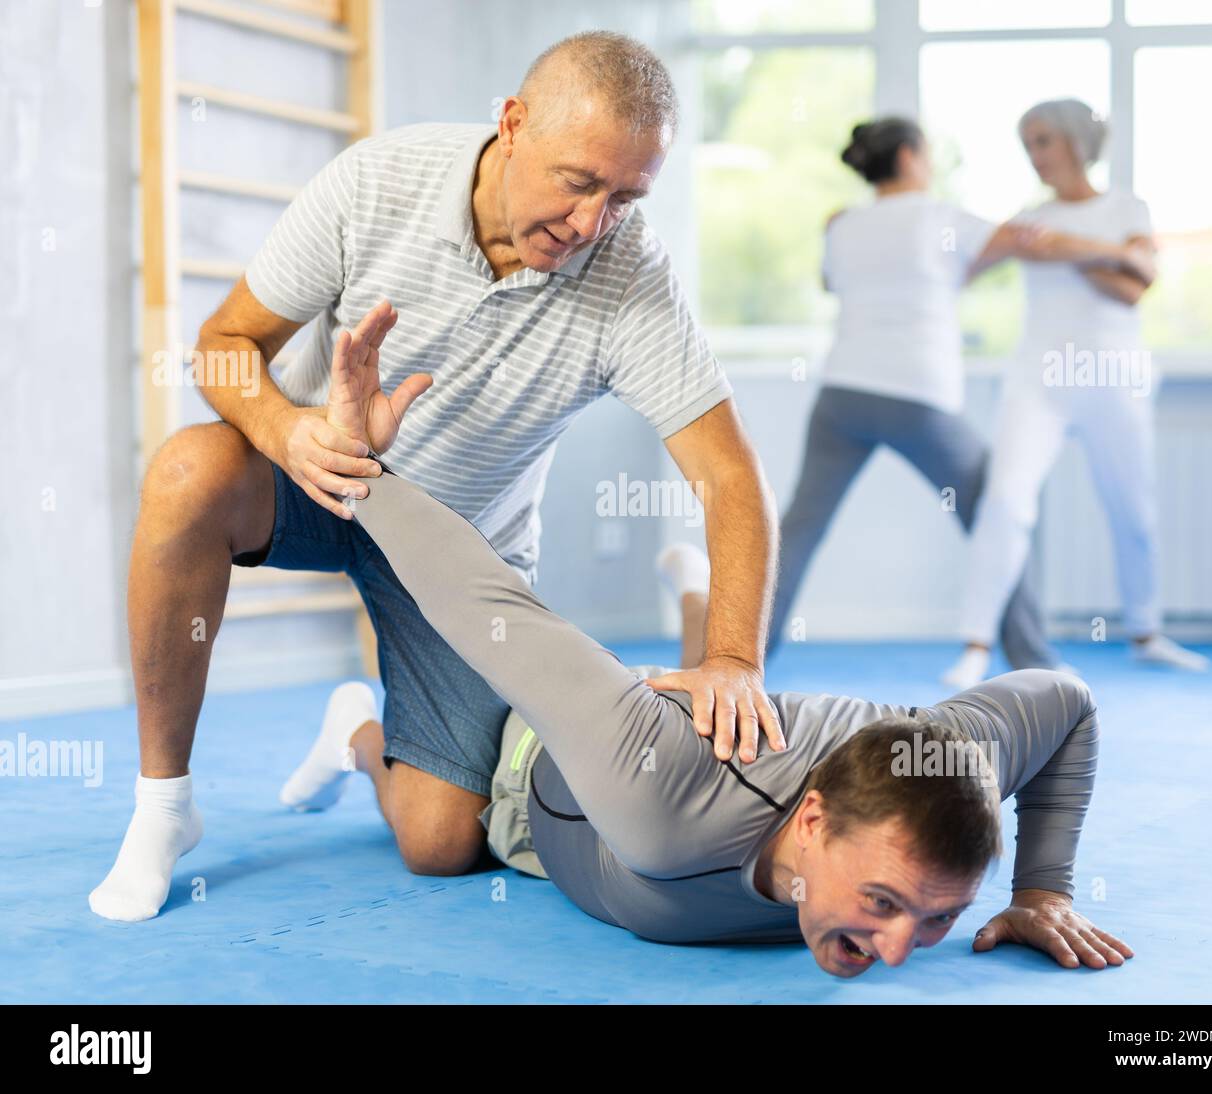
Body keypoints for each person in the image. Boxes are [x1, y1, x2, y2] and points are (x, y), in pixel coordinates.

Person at [89, 31, 785, 924]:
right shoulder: (378, 182)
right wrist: (288, 431)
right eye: (578, 182)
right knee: (187, 470)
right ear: (513, 123)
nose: (591, 226)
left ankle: (357, 733)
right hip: (321, 477)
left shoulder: (628, 273)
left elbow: (730, 478)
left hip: (461, 551)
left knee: (441, 841)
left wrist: (732, 659)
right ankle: (163, 808)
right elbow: (221, 349)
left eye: (626, 197)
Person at [299, 461, 1134, 978]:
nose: (897, 950)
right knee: (434, 842)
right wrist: (357, 465)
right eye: (882, 901)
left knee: (713, 703)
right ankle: (354, 735)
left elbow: (1067, 703)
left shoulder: (949, 764)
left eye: (939, 918)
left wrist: (1042, 890)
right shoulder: (649, 796)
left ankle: (703, 615)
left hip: (697, 734)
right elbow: (493, 607)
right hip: (549, 768)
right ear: (811, 820)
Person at [767, 116, 1155, 672]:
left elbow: (833, 281)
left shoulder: (842, 224)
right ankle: (1034, 660)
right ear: (908, 157)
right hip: (915, 398)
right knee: (995, 514)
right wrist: (1123, 254)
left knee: (798, 529)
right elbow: (1032, 242)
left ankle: (744, 658)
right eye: (926, 154)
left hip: (840, 397)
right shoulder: (940, 218)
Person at [942, 99, 1209, 690]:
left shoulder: (1123, 206)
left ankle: (1146, 632)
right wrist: (1110, 252)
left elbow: (1135, 289)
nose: (1034, 155)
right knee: (1007, 501)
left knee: (1132, 508)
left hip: (1114, 374)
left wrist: (1068, 246)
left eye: (1042, 141)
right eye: (1027, 144)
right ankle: (976, 642)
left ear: (1072, 142)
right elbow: (969, 267)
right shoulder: (1027, 218)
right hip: (1038, 376)